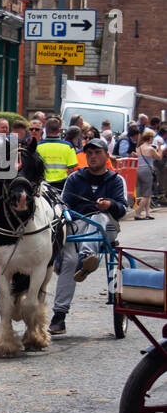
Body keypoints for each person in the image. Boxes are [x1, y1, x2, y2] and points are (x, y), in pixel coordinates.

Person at [50, 137, 128, 335]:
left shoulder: (117, 180)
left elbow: (123, 209)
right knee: (69, 260)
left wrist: (109, 205)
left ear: (106, 155)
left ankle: (87, 258)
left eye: (97, 153)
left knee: (99, 217)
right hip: (77, 225)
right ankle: (59, 316)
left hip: (105, 228)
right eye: (89, 153)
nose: (93, 157)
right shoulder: (74, 179)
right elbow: (63, 205)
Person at [36, 117, 76, 185]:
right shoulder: (68, 146)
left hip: (43, 185)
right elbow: (71, 171)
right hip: (62, 184)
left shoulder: (37, 147)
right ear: (59, 130)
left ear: (45, 130)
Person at [133, 128, 161, 220]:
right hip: (147, 170)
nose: (153, 140)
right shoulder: (150, 149)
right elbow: (159, 157)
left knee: (147, 193)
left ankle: (148, 213)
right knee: (146, 194)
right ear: (149, 138)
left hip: (139, 170)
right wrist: (159, 147)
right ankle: (137, 213)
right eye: (152, 138)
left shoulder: (138, 148)